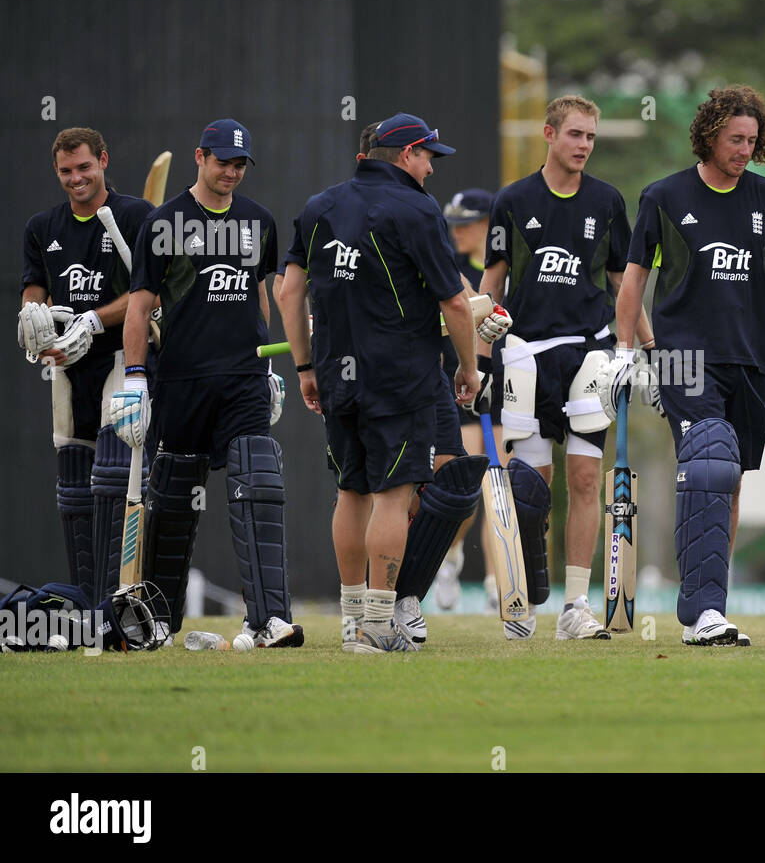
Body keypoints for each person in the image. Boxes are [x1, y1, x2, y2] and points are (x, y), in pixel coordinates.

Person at [602, 85, 765, 646]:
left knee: (727, 478)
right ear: (708, 135)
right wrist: (625, 352)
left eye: (752, 140)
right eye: (734, 139)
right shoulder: (664, 197)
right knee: (708, 463)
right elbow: (632, 283)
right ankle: (701, 613)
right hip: (683, 360)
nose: (744, 149)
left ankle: (712, 602)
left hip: (747, 360)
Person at [277, 112, 482, 653]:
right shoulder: (416, 209)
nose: (432, 170)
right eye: (429, 157)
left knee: (351, 492)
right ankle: (375, 626)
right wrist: (469, 367)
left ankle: (351, 622)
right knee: (393, 497)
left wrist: (304, 366)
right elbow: (456, 302)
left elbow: (287, 293)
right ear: (407, 154)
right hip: (401, 377)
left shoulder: (319, 206)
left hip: (335, 374)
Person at [109, 118, 301, 647]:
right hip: (181, 380)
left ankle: (268, 621)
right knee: (172, 499)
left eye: (240, 164)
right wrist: (134, 379)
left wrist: (268, 367)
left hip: (243, 378)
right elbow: (141, 305)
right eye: (223, 162)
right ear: (200, 157)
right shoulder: (163, 222)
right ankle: (160, 624)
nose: (232, 172)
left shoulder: (259, 221)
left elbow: (260, 294)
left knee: (258, 481)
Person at [480, 95, 645, 641]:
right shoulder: (513, 200)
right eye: (575, 134)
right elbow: (492, 288)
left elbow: (626, 286)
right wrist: (479, 364)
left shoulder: (608, 201)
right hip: (526, 356)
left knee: (583, 477)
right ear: (549, 135)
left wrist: (646, 353)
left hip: (590, 354)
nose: (584, 146)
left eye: (591, 137)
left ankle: (575, 605)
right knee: (532, 485)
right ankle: (523, 594)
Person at [19, 127, 153, 603]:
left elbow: (148, 295)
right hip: (68, 369)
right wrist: (35, 317)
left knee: (118, 477)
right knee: (75, 488)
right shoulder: (43, 227)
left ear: (103, 161)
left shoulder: (137, 215)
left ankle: (120, 603)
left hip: (123, 358)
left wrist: (93, 321)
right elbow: (35, 285)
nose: (76, 179)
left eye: (84, 168)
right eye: (66, 171)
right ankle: (87, 603)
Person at [429, 187, 506, 612]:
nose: (456, 231)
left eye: (466, 223)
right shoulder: (449, 266)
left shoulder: (503, 267)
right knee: (469, 489)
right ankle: (450, 556)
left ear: (487, 225)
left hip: (504, 383)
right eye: (452, 222)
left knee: (501, 488)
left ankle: (499, 583)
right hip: (460, 384)